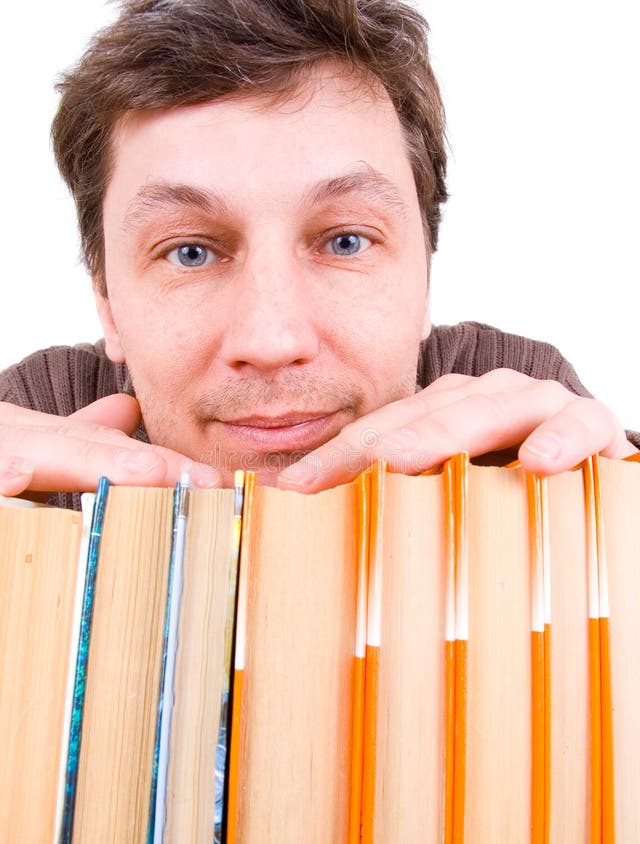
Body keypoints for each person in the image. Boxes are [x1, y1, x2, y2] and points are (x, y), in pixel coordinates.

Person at [0, 0, 637, 511]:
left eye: (345, 241)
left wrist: (615, 519)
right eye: (190, 252)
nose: (273, 339)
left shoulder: (536, 440)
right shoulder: (28, 446)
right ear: (108, 304)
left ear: (425, 280)